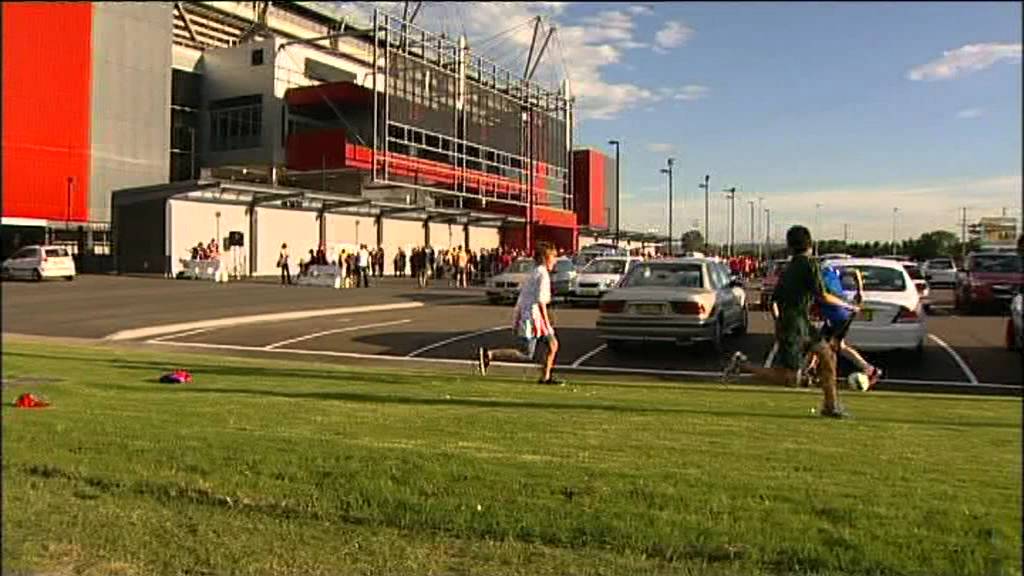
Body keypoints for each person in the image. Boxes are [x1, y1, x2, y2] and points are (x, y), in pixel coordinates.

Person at [723, 225, 858, 418]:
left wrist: (779, 321)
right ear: (810, 244)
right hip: (795, 324)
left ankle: (831, 406)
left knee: (828, 356)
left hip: (798, 322)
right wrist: (849, 306)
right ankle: (742, 365)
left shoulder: (789, 267)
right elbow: (823, 295)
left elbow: (774, 300)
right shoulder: (809, 264)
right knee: (789, 377)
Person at [478, 244, 562, 385]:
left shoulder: (535, 273)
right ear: (544, 258)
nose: (555, 260)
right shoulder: (542, 275)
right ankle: (490, 355)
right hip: (534, 318)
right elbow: (541, 302)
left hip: (529, 315)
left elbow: (522, 298)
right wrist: (547, 324)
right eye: (553, 257)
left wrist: (516, 318)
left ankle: (545, 377)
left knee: (552, 345)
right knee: (527, 353)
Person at [817, 264, 883, 389]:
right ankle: (870, 369)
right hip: (843, 313)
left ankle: (821, 376)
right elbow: (855, 272)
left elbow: (825, 297)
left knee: (821, 345)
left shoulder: (819, 277)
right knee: (838, 345)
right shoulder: (832, 271)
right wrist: (860, 290)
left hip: (837, 314)